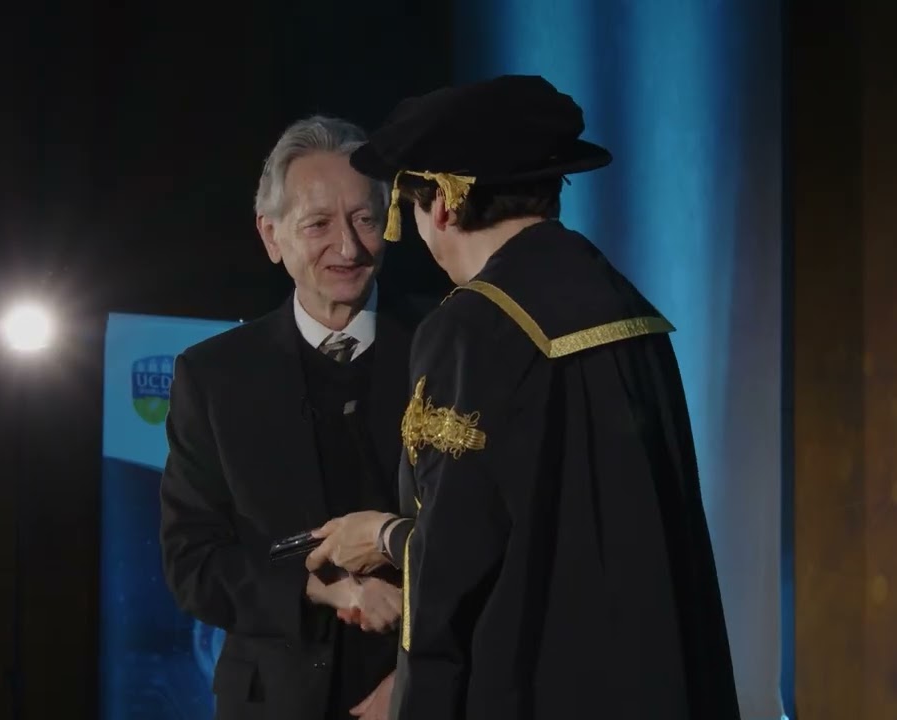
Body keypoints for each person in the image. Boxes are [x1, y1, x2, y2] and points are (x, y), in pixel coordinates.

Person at [305, 75, 741, 719]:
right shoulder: (631, 311)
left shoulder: (472, 327)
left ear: (442, 202)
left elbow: (458, 562)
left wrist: (385, 536)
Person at [160, 115, 418, 720]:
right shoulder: (213, 376)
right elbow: (193, 563)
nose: (348, 248)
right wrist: (322, 589)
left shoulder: (445, 347)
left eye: (365, 219)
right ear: (271, 235)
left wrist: (417, 681)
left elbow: (494, 541)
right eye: (318, 224)